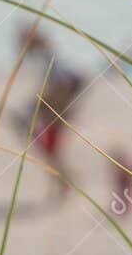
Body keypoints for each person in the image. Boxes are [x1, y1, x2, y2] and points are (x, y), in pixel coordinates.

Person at [15, 25, 85, 201]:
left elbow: (68, 81)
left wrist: (45, 104)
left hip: (58, 108)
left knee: (49, 147)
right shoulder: (50, 52)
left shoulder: (50, 54)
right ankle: (62, 182)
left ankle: (64, 181)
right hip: (58, 107)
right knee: (50, 148)